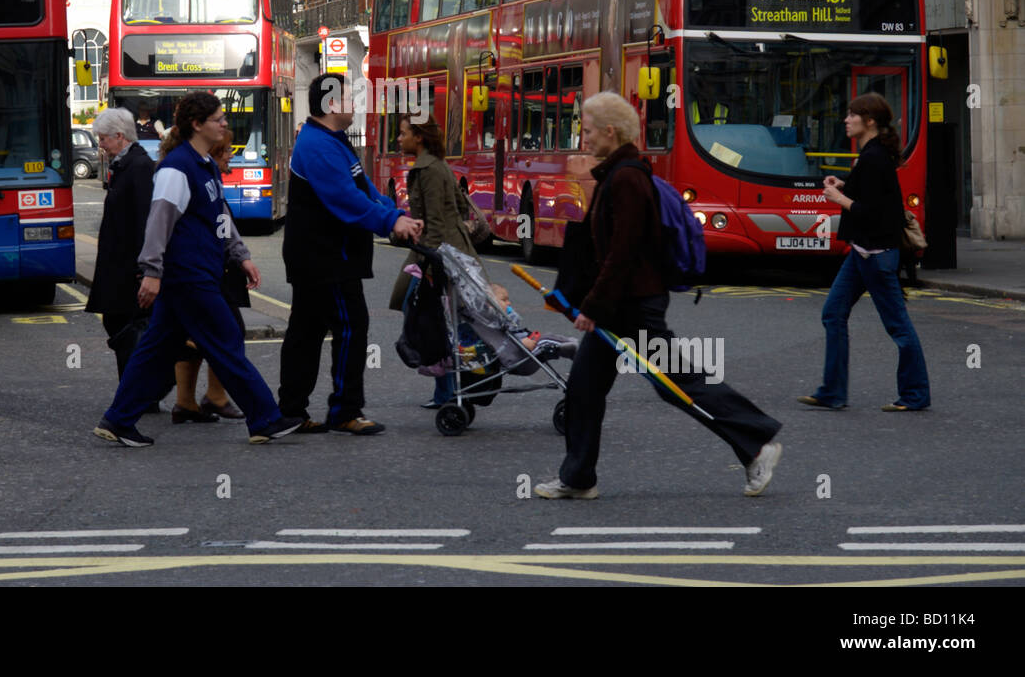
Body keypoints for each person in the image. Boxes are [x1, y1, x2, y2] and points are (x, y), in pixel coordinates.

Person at [536, 91, 782, 500]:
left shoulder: (627, 179)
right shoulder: (619, 173)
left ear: (610, 132)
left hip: (633, 307)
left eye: (590, 129)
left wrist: (592, 308)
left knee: (678, 383)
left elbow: (624, 252)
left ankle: (757, 444)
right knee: (584, 389)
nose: (585, 137)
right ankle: (578, 478)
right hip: (624, 304)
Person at [93, 92, 301, 446]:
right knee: (226, 338)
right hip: (188, 276)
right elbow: (158, 222)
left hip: (196, 275)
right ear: (197, 124)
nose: (224, 123)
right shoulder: (176, 168)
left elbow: (220, 217)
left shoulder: (203, 164)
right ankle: (265, 417)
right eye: (218, 118)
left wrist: (241, 254)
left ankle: (117, 420)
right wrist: (152, 272)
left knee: (154, 351)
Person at [279, 74, 423, 435]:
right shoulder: (318, 146)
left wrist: (394, 213)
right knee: (349, 327)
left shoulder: (331, 141)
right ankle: (344, 410)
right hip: (327, 258)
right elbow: (345, 200)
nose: (355, 103)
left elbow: (365, 190)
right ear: (330, 104)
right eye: (347, 98)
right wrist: (391, 221)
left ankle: (291, 411)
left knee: (307, 331)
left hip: (323, 256)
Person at [800, 92, 931, 411]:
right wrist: (844, 184)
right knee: (833, 313)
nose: (846, 120)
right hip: (862, 252)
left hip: (876, 253)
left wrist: (837, 198)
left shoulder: (873, 158)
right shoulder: (871, 154)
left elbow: (876, 213)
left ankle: (915, 394)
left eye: (852, 115)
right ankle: (832, 392)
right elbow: (873, 195)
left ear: (869, 121)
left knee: (898, 325)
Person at [386, 115, 479, 410]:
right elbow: (462, 206)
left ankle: (449, 390)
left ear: (420, 137)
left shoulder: (427, 170)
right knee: (439, 319)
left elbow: (435, 224)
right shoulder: (436, 166)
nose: (399, 140)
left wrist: (428, 264)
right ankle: (446, 390)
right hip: (440, 251)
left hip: (438, 255)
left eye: (403, 134)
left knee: (432, 318)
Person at [165, 128, 244, 424]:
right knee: (230, 331)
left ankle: (185, 402)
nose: (231, 158)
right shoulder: (197, 176)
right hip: (205, 269)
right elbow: (220, 224)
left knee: (186, 336)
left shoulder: (201, 173)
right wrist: (238, 254)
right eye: (226, 152)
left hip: (197, 268)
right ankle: (216, 396)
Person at [85, 107, 157, 379]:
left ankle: (138, 390)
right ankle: (136, 389)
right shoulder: (125, 164)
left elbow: (144, 220)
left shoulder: (138, 167)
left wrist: (145, 269)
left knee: (127, 328)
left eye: (103, 139)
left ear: (119, 136)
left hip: (130, 270)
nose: (101, 145)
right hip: (119, 268)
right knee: (120, 325)